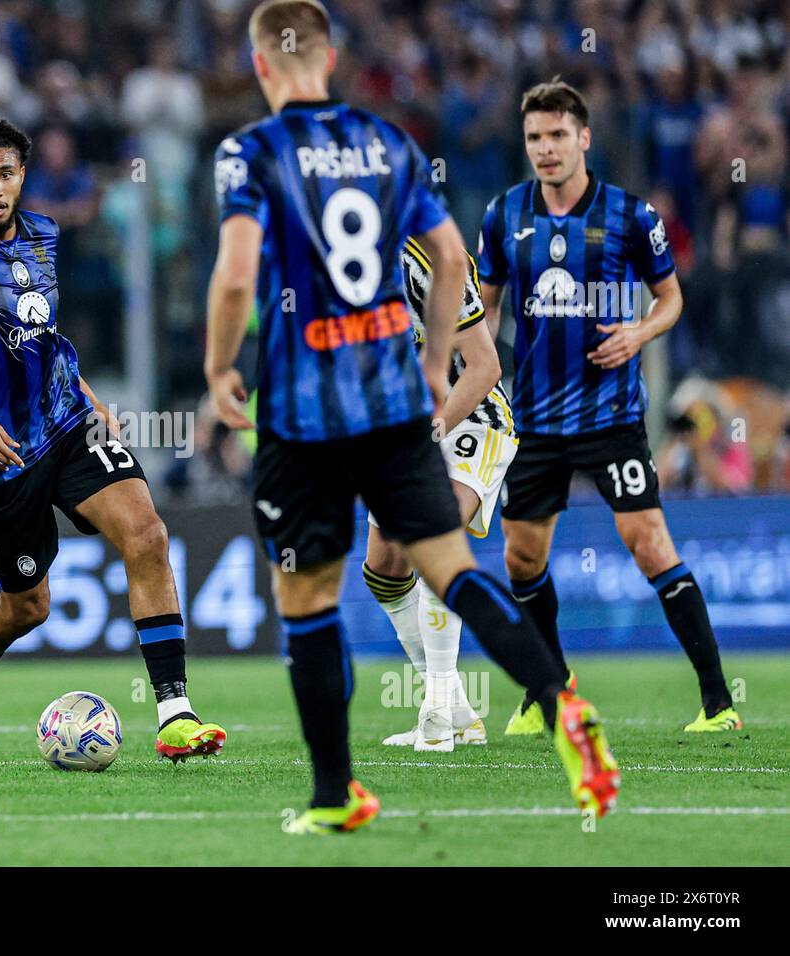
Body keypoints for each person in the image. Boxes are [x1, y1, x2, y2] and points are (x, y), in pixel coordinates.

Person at [204, 0, 618, 834]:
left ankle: (336, 794)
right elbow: (458, 255)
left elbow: (239, 275)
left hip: (302, 410)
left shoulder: (250, 151)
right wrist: (431, 367)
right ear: (330, 58)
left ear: (259, 66)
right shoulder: (390, 147)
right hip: (394, 409)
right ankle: (559, 703)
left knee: (307, 599)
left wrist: (218, 366)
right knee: (448, 570)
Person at [0, 116, 226, 764]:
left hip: (66, 424)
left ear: (22, 175)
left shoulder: (43, 234)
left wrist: (89, 394)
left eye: (6, 173)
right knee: (28, 606)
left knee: (147, 533)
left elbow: (41, 336)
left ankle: (176, 713)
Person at [477, 79, 741, 734]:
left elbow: (670, 298)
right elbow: (483, 306)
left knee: (648, 543)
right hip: (533, 419)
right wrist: (477, 372)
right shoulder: (503, 215)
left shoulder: (630, 216)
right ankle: (552, 689)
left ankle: (718, 702)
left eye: (557, 135)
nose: (545, 149)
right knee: (521, 559)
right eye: (535, 137)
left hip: (609, 416)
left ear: (584, 138)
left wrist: (640, 332)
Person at [365, 235, 518, 752]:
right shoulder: (336, 262)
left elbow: (485, 367)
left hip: (470, 415)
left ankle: (434, 711)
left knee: (434, 536)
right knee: (384, 567)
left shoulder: (429, 259)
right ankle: (456, 708)